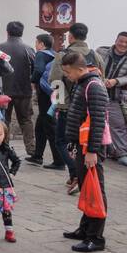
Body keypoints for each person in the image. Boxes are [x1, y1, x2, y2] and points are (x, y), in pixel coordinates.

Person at [62, 50, 111, 252]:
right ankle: (85, 228)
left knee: (94, 189)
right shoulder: (81, 83)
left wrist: (92, 151)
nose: (67, 76)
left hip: (90, 147)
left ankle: (96, 237)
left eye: (68, 72)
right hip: (81, 143)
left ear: (80, 69)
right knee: (85, 187)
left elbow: (98, 121)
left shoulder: (94, 86)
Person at [48, 22, 97, 192]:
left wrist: (60, 104)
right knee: (82, 142)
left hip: (68, 105)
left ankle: (76, 173)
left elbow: (54, 80)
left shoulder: (62, 55)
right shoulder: (95, 55)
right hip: (88, 107)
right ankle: (78, 175)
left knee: (62, 141)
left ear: (70, 37)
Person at [95, 31, 127, 167]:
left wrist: (116, 81)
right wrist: (100, 78)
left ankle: (122, 154)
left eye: (126, 42)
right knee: (92, 123)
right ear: (116, 41)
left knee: (118, 125)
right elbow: (90, 67)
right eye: (121, 41)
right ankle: (92, 150)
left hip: (113, 96)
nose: (123, 44)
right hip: (95, 94)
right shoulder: (101, 52)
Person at [0, 22, 36, 158]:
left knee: (4, 120)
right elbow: (35, 69)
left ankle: (4, 148)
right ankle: (31, 149)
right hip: (24, 91)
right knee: (26, 120)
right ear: (22, 33)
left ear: (7, 32)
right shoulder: (29, 49)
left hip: (4, 91)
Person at [28, 34, 65, 168]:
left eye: (36, 42)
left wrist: (32, 81)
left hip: (44, 93)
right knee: (41, 125)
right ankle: (37, 156)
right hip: (54, 92)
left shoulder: (41, 54)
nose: (35, 45)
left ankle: (59, 161)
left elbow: (38, 70)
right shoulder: (54, 54)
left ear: (42, 44)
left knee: (49, 125)